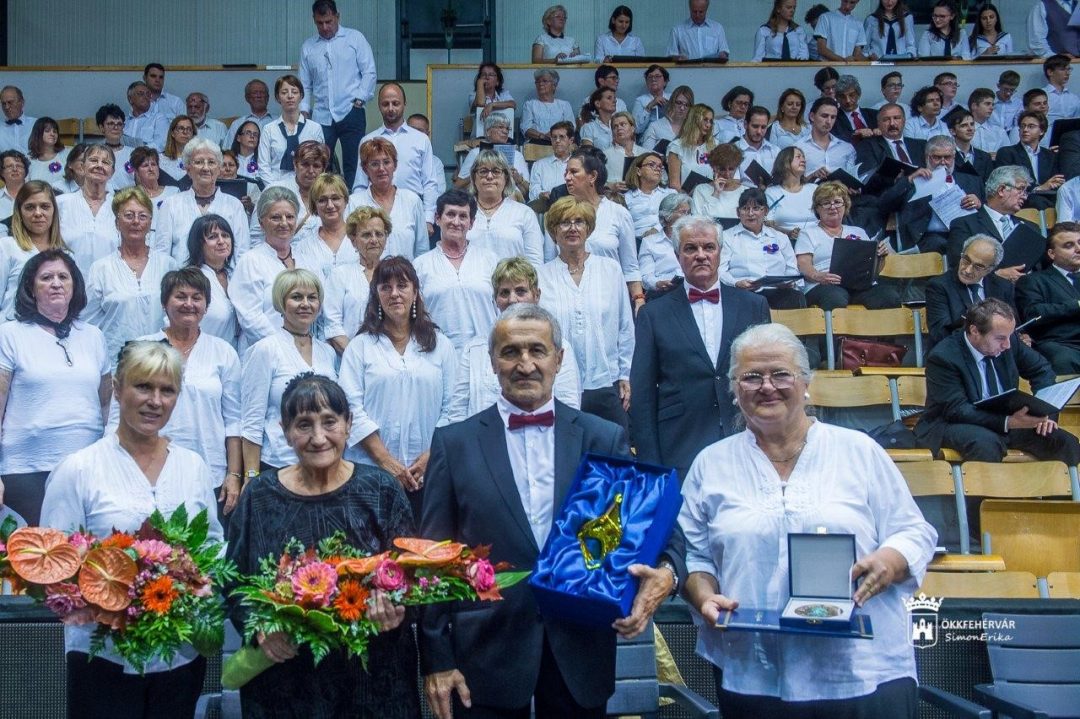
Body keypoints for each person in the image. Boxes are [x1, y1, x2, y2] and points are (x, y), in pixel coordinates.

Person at [421, 301, 678, 719]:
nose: (525, 364)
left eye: (537, 350)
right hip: (484, 655)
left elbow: (650, 529)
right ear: (492, 362)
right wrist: (437, 658)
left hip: (580, 650)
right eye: (511, 352)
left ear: (558, 359)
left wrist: (667, 571)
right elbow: (434, 556)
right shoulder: (453, 444)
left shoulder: (604, 437)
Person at [680, 322, 936, 719]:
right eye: (751, 377)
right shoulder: (710, 464)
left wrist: (889, 561)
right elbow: (695, 556)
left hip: (862, 672)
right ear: (734, 389)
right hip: (755, 674)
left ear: (805, 383)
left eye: (781, 374)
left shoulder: (859, 451)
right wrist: (703, 596)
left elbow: (914, 531)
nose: (767, 386)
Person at [40, 341, 222, 719]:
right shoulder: (79, 469)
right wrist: (109, 600)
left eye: (167, 390)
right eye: (143, 386)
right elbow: (52, 566)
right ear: (118, 388)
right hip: (102, 657)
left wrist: (193, 587)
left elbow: (212, 547)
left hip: (179, 655)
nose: (155, 401)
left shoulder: (194, 467)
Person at [227, 373, 418, 718]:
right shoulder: (259, 496)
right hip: (284, 684)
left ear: (348, 424)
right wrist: (259, 628)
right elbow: (233, 582)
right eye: (304, 424)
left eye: (330, 421)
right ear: (285, 431)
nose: (318, 438)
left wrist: (395, 607)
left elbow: (415, 579)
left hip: (373, 681)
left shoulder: (381, 490)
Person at [630, 212, 771, 478]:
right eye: (690, 248)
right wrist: (650, 464)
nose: (701, 255)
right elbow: (643, 393)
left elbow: (767, 376)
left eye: (709, 247)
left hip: (747, 442)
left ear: (720, 252)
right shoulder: (653, 314)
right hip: (680, 444)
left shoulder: (754, 306)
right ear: (677, 256)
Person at [339, 256, 457, 517]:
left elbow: (453, 406)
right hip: (370, 473)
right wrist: (385, 461)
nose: (394, 294)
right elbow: (350, 408)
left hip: (429, 474)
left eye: (402, 286)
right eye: (386, 287)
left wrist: (430, 457)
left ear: (415, 292)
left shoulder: (440, 345)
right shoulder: (360, 347)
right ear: (376, 295)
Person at [119, 267, 243, 516]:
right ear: (165, 303)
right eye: (180, 296)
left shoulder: (223, 352)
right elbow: (119, 412)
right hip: (146, 468)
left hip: (210, 471)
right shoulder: (141, 348)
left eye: (197, 297)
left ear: (206, 306)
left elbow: (233, 420)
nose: (189, 304)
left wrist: (234, 474)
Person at [0, 250, 109, 526]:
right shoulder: (9, 334)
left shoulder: (94, 336)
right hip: (26, 470)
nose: (56, 283)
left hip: (88, 468)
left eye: (63, 277)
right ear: (31, 288)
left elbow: (107, 405)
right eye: (46, 278)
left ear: (75, 286)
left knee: (87, 550)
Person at [915, 298, 1080, 464]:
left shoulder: (1010, 342)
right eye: (1000, 338)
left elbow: (1041, 370)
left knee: (1065, 442)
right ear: (975, 331)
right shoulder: (943, 357)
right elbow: (957, 410)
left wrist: (1044, 412)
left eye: (1010, 336)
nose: (1007, 345)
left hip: (1006, 420)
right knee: (986, 444)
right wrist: (1008, 422)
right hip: (953, 423)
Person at [538, 197, 634, 432]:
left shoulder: (610, 269)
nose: (572, 228)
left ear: (588, 228)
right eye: (564, 222)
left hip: (605, 382)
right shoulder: (540, 276)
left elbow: (625, 326)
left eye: (579, 221)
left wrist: (625, 374)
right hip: (559, 385)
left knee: (614, 448)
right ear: (553, 231)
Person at [449, 256, 580, 423]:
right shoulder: (474, 349)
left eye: (520, 291)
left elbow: (569, 408)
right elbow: (457, 413)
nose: (512, 299)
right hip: (482, 439)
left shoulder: (556, 345)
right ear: (495, 300)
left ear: (537, 295)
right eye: (504, 293)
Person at [241, 269, 337, 476]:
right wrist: (251, 476)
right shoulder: (265, 349)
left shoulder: (327, 352)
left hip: (323, 462)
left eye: (312, 297)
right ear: (281, 302)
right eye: (296, 297)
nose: (305, 304)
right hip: (278, 464)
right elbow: (252, 420)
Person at [83, 187, 178, 365]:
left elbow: (176, 317)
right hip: (116, 364)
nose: (136, 221)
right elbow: (89, 325)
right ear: (117, 222)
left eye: (142, 216)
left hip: (160, 364)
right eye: (128, 215)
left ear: (150, 223)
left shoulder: (168, 265)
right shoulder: (101, 269)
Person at [299, 0, 376, 188]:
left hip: (351, 110)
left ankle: (353, 202)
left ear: (337, 16)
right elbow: (304, 84)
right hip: (321, 116)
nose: (325, 27)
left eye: (329, 21)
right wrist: (304, 111)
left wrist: (359, 100)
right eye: (320, 23)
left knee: (354, 164)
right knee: (319, 163)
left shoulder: (355, 38)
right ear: (314, 20)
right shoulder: (308, 47)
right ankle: (319, 200)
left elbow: (369, 72)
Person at [232, 186, 319, 351]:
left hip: (306, 348)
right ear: (261, 223)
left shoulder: (308, 260)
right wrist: (287, 347)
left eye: (290, 217)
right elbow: (250, 317)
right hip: (266, 351)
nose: (284, 223)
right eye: (276, 217)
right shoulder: (251, 261)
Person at [413, 190, 499, 352]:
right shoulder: (420, 266)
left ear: (471, 223)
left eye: (463, 216)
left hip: (485, 354)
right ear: (437, 218)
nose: (456, 222)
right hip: (437, 354)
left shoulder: (490, 261)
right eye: (450, 214)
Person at [796, 181, 900, 310]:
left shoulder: (859, 231)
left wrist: (880, 257)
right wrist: (818, 276)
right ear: (817, 208)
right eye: (826, 203)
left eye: (837, 202)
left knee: (889, 296)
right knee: (836, 297)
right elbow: (803, 264)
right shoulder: (808, 233)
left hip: (858, 285)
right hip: (823, 285)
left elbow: (873, 270)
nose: (832, 207)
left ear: (845, 205)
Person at [354, 82, 440, 232]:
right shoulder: (368, 141)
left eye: (395, 103)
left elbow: (429, 183)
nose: (391, 108)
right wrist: (359, 216)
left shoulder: (421, 139)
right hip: (375, 213)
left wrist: (427, 219)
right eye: (385, 104)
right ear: (379, 106)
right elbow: (360, 185)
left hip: (413, 211)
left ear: (404, 104)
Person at [877, 135, 983, 253]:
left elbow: (987, 214)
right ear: (927, 157)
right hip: (925, 238)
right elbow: (883, 205)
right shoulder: (913, 180)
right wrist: (910, 180)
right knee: (938, 243)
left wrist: (979, 205)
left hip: (963, 235)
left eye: (947, 157)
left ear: (954, 157)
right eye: (937, 157)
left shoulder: (972, 181)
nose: (943, 162)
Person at [563, 147, 643, 305]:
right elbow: (550, 260)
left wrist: (639, 300)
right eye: (566, 172)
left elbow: (630, 267)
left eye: (573, 172)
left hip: (609, 297)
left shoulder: (618, 213)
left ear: (592, 176)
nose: (567, 177)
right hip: (569, 297)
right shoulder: (561, 214)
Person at [154, 138, 251, 265]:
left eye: (211, 162)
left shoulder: (235, 205)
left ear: (219, 169)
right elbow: (162, 254)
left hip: (226, 276)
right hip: (181, 275)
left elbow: (242, 253)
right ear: (188, 169)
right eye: (199, 162)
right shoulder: (171, 204)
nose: (205, 168)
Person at [946, 166, 1047, 280]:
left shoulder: (1031, 227)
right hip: (989, 289)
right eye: (1020, 189)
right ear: (1001, 190)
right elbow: (959, 268)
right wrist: (997, 275)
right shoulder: (964, 225)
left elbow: (1042, 268)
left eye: (1026, 191)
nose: (1025, 196)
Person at [720, 188, 805, 310]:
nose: (750, 213)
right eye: (745, 208)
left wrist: (787, 283)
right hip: (744, 291)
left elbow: (792, 268)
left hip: (778, 291)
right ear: (738, 212)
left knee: (796, 297)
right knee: (755, 301)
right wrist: (736, 283)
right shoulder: (727, 237)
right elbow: (720, 270)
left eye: (756, 208)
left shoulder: (780, 237)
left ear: (765, 211)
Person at [926, 234, 1015, 350]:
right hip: (956, 351)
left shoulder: (1003, 287)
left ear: (990, 269)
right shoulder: (939, 286)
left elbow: (1012, 326)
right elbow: (940, 334)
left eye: (978, 266)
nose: (967, 270)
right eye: (966, 260)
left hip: (998, 351)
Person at [346, 138, 427, 260]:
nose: (381, 168)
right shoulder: (354, 203)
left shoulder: (412, 201)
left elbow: (422, 251)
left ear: (395, 165)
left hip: (405, 272)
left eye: (386, 162)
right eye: (375, 164)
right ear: (365, 169)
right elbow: (349, 248)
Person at [1015, 222, 1080, 373]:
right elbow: (1033, 314)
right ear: (1051, 254)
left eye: (1079, 242)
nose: (1078, 249)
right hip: (1062, 343)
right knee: (1064, 359)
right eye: (1069, 245)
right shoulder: (1033, 280)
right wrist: (1075, 305)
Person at [324, 205, 387, 353]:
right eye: (366, 235)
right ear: (353, 241)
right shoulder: (339, 275)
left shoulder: (396, 274)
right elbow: (333, 328)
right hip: (349, 356)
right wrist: (358, 358)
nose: (374, 240)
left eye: (379, 234)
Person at [465, 150, 544, 267]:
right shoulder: (462, 213)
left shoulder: (524, 213)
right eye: (483, 171)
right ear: (474, 177)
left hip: (514, 278)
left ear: (506, 178)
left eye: (496, 171)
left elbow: (535, 262)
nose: (489, 176)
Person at [0, 181, 66, 320]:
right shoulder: (6, 247)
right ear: (19, 212)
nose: (38, 213)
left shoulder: (66, 254)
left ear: (54, 211)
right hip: (12, 328)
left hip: (53, 330)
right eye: (30, 207)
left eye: (45, 206)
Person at [250, 139, 329, 245]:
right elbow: (255, 235)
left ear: (323, 169)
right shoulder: (274, 190)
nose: (311, 171)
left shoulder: (330, 196)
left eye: (316, 166)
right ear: (295, 165)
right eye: (305, 164)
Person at [56, 144, 117, 277]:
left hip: (109, 280)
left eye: (106, 162)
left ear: (112, 172)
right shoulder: (61, 203)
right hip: (67, 281)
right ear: (83, 167)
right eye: (94, 160)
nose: (99, 165)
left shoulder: (120, 208)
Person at [258, 74, 325, 187]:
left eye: (294, 92)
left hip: (308, 187)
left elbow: (320, 162)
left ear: (301, 96)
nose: (290, 96)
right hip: (276, 187)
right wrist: (276, 189)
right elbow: (263, 166)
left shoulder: (315, 128)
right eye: (284, 92)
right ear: (277, 97)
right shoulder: (269, 129)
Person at [186, 213, 240, 348]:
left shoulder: (235, 275)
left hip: (234, 354)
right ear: (199, 244)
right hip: (200, 352)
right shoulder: (190, 279)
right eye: (212, 237)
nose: (221, 241)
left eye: (225, 235)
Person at [295, 172, 359, 282]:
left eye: (335, 198)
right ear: (314, 205)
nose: (330, 205)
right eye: (322, 200)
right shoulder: (304, 246)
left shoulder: (362, 238)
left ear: (345, 201)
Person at [995, 111, 1064, 211]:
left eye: (1031, 126)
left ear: (1042, 131)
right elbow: (1007, 183)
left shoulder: (1050, 155)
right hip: (1020, 200)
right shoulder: (1007, 152)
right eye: (1022, 126)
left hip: (1047, 199)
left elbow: (1055, 182)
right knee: (1039, 202)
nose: (1025, 130)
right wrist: (1039, 188)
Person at [455, 115, 528, 196]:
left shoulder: (517, 155)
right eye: (500, 127)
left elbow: (527, 192)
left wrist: (519, 180)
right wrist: (475, 173)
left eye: (507, 128)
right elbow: (458, 186)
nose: (505, 131)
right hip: (482, 196)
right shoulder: (475, 153)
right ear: (488, 131)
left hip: (511, 197)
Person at [765, 147, 818, 242]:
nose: (803, 160)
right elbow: (768, 223)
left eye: (803, 157)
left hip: (816, 239)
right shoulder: (771, 192)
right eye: (798, 157)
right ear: (785, 163)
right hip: (784, 241)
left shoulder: (814, 189)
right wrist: (789, 233)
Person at [640, 193, 689, 294]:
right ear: (667, 216)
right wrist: (657, 284)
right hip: (663, 292)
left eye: (689, 213)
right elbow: (646, 276)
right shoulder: (649, 242)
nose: (688, 217)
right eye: (683, 212)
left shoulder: (695, 241)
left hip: (690, 289)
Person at [795, 98, 856, 179]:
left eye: (833, 117)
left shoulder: (847, 148)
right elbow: (790, 182)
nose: (829, 121)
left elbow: (852, 179)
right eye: (824, 116)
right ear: (812, 116)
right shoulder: (797, 148)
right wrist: (812, 176)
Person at [624, 152, 675, 240]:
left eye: (660, 166)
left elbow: (679, 217)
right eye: (651, 165)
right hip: (637, 241)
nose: (657, 169)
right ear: (638, 171)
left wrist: (657, 229)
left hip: (667, 239)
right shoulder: (626, 198)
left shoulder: (671, 194)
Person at [667, 103, 717, 192]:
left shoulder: (713, 145)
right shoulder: (677, 146)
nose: (708, 125)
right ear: (694, 120)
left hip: (709, 195)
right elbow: (674, 185)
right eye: (705, 120)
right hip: (684, 196)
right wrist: (687, 197)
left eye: (710, 121)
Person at [691, 144, 745, 220]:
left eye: (731, 169)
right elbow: (697, 220)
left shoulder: (745, 190)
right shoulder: (701, 190)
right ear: (713, 167)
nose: (727, 174)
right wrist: (716, 193)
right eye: (722, 169)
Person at [521, 69, 575, 144]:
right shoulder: (529, 105)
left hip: (560, 142)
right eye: (537, 82)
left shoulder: (565, 105)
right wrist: (542, 136)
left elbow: (571, 127)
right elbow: (526, 128)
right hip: (536, 143)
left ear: (554, 86)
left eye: (544, 81)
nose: (540, 84)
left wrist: (554, 134)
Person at [528, 121, 573, 203]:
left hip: (571, 205)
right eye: (554, 137)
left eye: (562, 137)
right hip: (546, 204)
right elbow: (533, 188)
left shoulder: (578, 165)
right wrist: (541, 194)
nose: (557, 140)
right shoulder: (539, 165)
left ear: (571, 140)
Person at [130, 147, 179, 221]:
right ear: (137, 172)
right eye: (145, 165)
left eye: (153, 164)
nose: (151, 169)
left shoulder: (174, 192)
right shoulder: (131, 196)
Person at [470, 63, 516, 141]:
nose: (487, 77)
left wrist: (492, 105)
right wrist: (480, 83)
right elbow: (480, 103)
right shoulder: (473, 95)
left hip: (501, 140)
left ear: (497, 81)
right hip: (479, 140)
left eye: (491, 75)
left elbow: (513, 104)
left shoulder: (503, 95)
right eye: (483, 75)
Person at [224, 80, 274, 151]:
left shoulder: (279, 122)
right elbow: (228, 152)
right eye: (255, 92)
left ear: (268, 97)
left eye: (262, 92)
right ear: (247, 98)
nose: (259, 96)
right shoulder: (237, 124)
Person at [948, 111, 995, 185]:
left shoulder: (985, 157)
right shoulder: (946, 156)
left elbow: (990, 186)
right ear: (952, 131)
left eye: (972, 124)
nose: (970, 128)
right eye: (964, 125)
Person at [642, 85, 694, 153]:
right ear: (672, 102)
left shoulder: (693, 129)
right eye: (679, 103)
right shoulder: (655, 126)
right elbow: (645, 155)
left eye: (686, 105)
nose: (682, 108)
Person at [406, 113, 447, 195]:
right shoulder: (394, 158)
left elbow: (439, 193)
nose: (415, 134)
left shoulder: (436, 163)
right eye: (412, 130)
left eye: (420, 131)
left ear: (427, 134)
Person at [604, 112, 647, 189]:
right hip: (616, 195)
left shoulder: (645, 154)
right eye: (615, 126)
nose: (619, 128)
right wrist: (611, 186)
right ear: (612, 132)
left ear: (632, 128)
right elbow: (596, 183)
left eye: (623, 124)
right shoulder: (605, 155)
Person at [124, 81, 169, 152]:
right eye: (141, 94)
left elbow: (161, 144)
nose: (145, 97)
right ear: (130, 99)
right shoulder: (124, 122)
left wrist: (139, 152)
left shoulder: (158, 118)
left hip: (149, 157)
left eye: (148, 94)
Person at [832, 76, 878, 144]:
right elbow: (835, 137)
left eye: (851, 95)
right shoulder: (833, 119)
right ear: (837, 98)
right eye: (842, 96)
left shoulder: (875, 114)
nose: (847, 100)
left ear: (859, 94)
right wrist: (855, 133)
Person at [26, 117, 69, 189]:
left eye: (55, 131)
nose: (52, 134)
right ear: (38, 134)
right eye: (47, 131)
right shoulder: (29, 160)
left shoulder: (67, 154)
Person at [967, 88, 1010, 157]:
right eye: (987, 104)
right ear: (974, 106)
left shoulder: (1000, 132)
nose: (992, 108)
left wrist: (998, 156)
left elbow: (1008, 156)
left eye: (992, 104)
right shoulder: (963, 130)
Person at [631, 65, 669, 139]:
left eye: (657, 76)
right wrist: (649, 107)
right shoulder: (640, 101)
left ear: (665, 81)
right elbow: (636, 130)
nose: (653, 79)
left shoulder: (672, 98)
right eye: (650, 77)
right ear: (646, 82)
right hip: (648, 139)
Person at [157, 115, 195, 183]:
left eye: (189, 129)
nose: (185, 132)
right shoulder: (159, 159)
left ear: (192, 134)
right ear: (172, 133)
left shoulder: (198, 160)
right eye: (181, 128)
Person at [0, 86, 34, 154]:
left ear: (22, 102)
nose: (7, 107)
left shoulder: (36, 124)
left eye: (10, 102)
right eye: (4, 104)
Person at [0, 150, 28, 221]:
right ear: (2, 172)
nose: (15, 169)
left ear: (25, 171)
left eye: (19, 166)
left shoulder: (37, 194)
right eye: (9, 166)